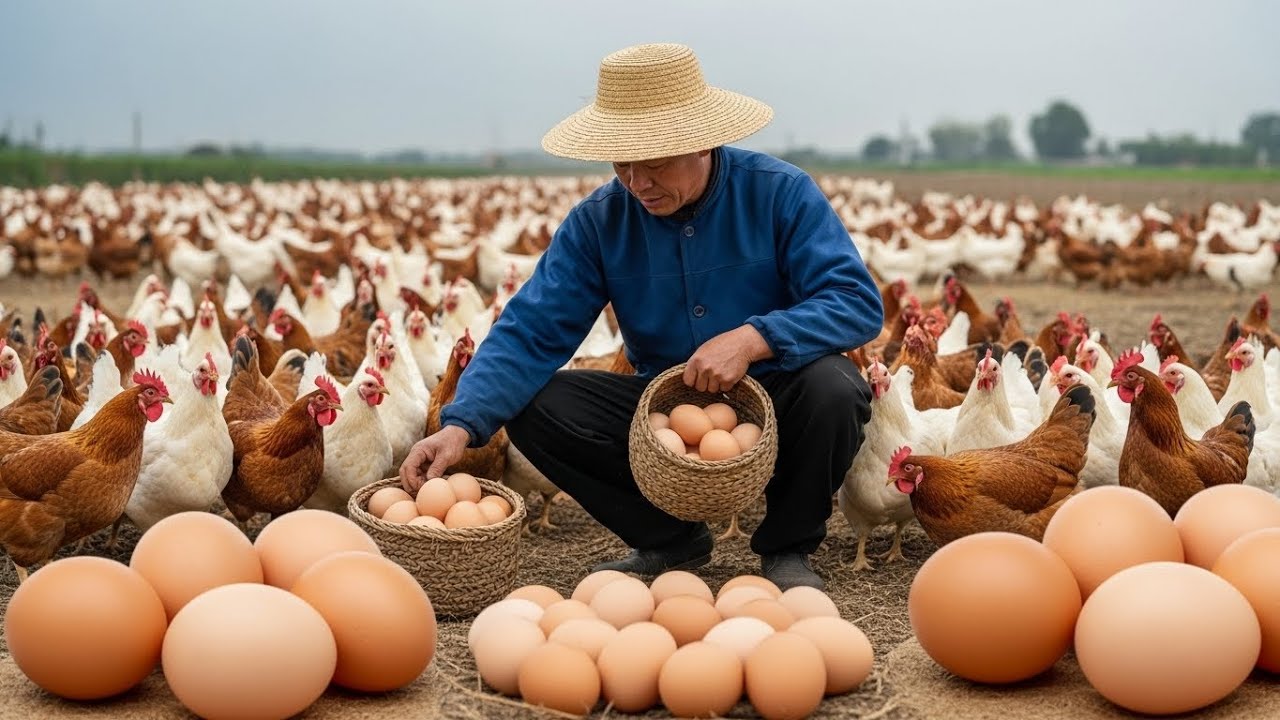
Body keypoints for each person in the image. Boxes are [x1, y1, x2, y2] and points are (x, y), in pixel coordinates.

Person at [400, 42, 882, 590]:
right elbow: (532, 328)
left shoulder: (780, 194)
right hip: (661, 408)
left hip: (777, 387)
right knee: (535, 404)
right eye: (621, 162)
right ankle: (670, 540)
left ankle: (789, 547)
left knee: (835, 389)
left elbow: (856, 301)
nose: (635, 182)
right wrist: (462, 423)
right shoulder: (599, 222)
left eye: (652, 163)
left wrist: (754, 338)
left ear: (702, 143)